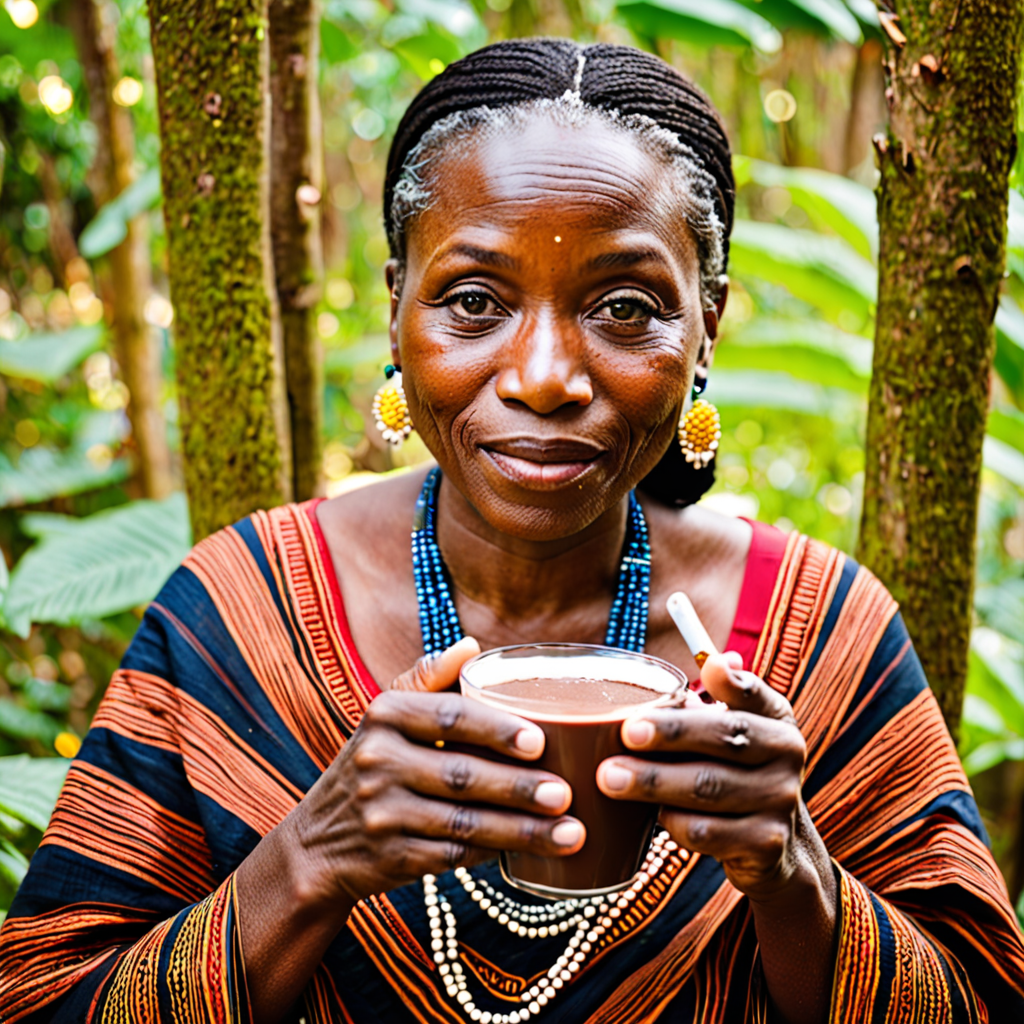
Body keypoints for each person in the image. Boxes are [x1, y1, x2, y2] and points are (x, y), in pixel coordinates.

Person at [1, 37, 1022, 1024]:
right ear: (398, 302)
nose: (544, 376)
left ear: (705, 326)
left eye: (624, 308)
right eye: (474, 299)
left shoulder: (820, 630)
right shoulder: (239, 610)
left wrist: (793, 869)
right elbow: (43, 999)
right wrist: (313, 853)